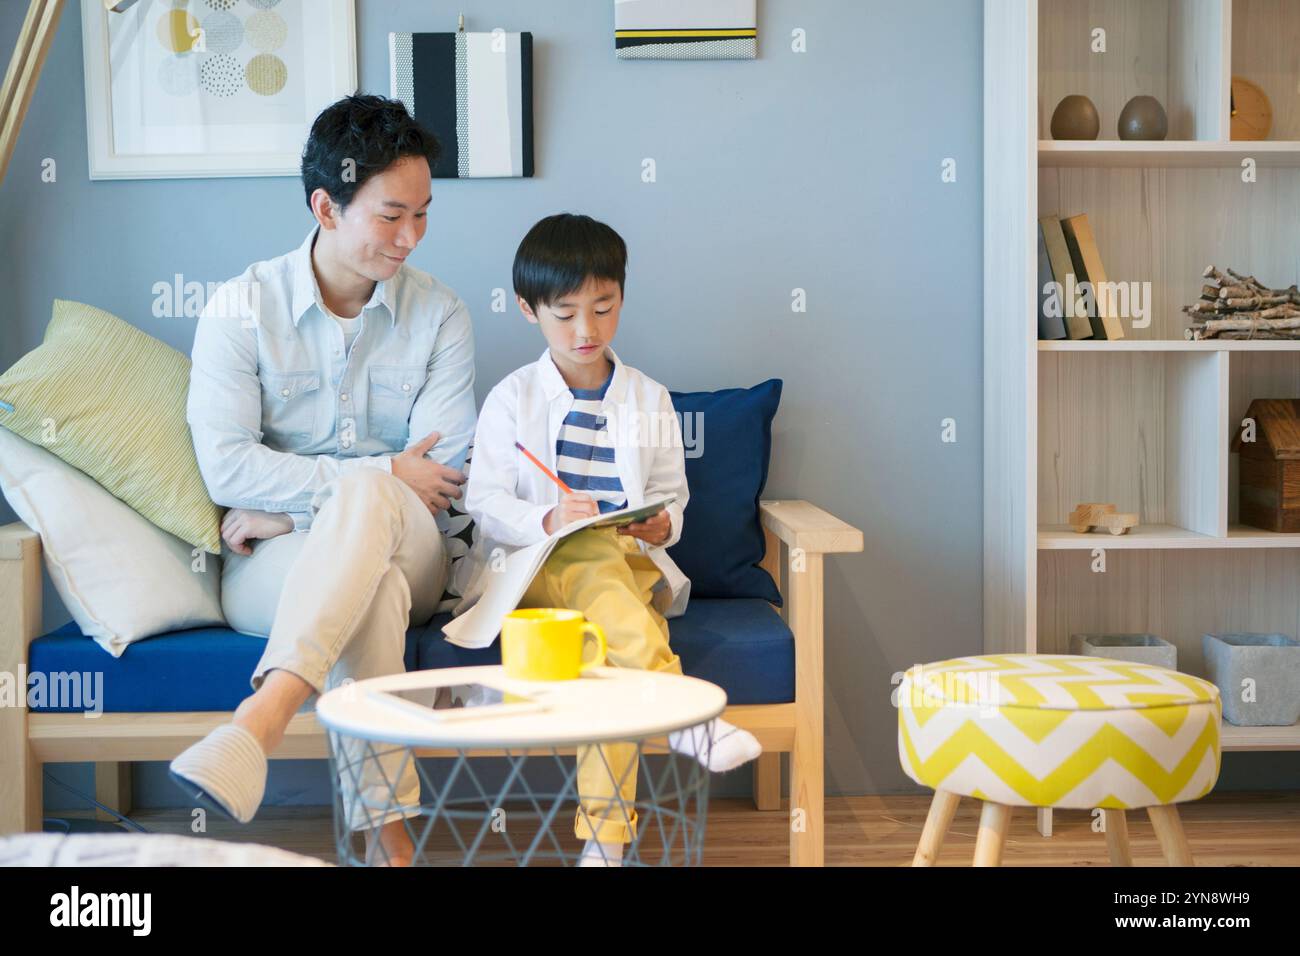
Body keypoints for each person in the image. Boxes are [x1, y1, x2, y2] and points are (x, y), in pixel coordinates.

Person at [170, 94, 475, 867]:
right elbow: (224, 466)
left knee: (374, 503)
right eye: (391, 215)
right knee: (366, 580)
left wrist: (287, 506)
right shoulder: (242, 309)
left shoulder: (440, 315)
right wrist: (374, 475)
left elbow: (437, 482)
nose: (411, 238)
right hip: (271, 570)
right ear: (326, 205)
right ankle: (388, 843)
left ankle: (261, 719)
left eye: (424, 214)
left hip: (404, 546)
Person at [458, 213, 761, 867]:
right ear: (527, 309)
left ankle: (604, 844)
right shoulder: (511, 400)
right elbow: (482, 502)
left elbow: (672, 495)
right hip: (533, 570)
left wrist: (662, 525)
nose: (586, 330)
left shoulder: (648, 399)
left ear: (622, 296)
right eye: (565, 314)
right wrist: (548, 520)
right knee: (584, 547)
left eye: (603, 308)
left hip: (625, 570)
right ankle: (689, 716)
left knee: (609, 667)